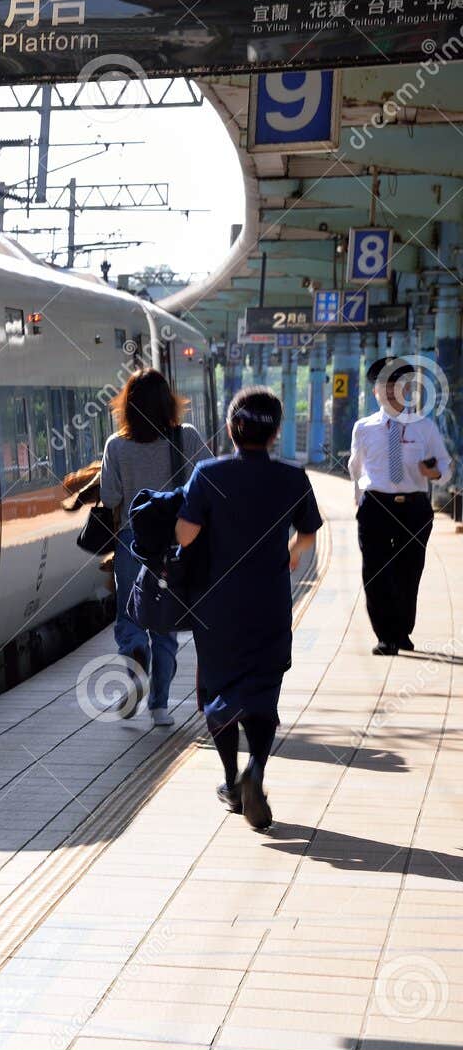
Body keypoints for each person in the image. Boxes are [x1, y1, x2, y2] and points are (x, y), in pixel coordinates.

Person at [176, 387, 322, 832]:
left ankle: (229, 780)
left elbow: (184, 535)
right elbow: (308, 536)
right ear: (276, 432)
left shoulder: (207, 473)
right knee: (263, 691)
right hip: (270, 602)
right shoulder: (293, 478)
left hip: (217, 606)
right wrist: (291, 555)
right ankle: (255, 768)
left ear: (231, 427)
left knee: (219, 692)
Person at [98, 368, 212, 725]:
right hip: (175, 544)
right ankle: (160, 707)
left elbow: (109, 496)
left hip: (133, 542)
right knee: (165, 621)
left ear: (128, 407)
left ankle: (133, 651)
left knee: (129, 613)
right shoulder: (187, 437)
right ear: (169, 403)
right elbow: (206, 485)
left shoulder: (116, 445)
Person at [347, 356, 453, 655]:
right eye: (386, 387)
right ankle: (385, 636)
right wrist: (358, 500)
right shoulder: (363, 428)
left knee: (408, 570)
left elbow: (444, 465)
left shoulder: (425, 427)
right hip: (376, 506)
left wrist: (435, 474)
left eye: (399, 386)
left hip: (414, 507)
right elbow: (355, 467)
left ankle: (402, 630)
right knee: (376, 571)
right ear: (376, 393)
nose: (393, 392)